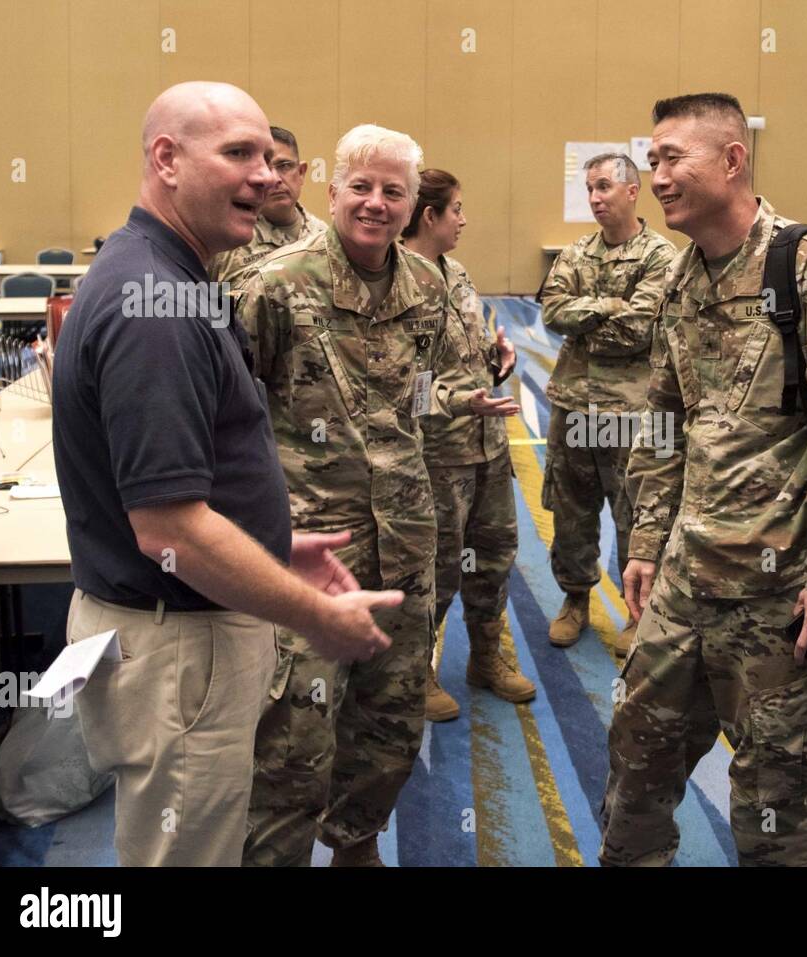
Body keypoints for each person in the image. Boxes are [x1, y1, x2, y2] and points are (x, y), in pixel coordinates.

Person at [51, 82, 398, 867]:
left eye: (272, 159)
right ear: (166, 159)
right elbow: (170, 528)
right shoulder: (157, 307)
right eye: (238, 154)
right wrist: (309, 609)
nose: (267, 177)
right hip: (181, 651)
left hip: (183, 639)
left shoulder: (167, 272)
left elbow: (187, 490)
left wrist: (273, 542)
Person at [600, 93, 807, 866]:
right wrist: (647, 538)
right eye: (651, 160)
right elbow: (662, 425)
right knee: (634, 768)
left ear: (733, 159)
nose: (656, 176)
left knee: (778, 810)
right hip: (685, 586)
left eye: (672, 159)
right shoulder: (680, 279)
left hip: (784, 606)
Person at [237, 125, 511, 867]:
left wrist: (459, 397)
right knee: (294, 730)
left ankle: (357, 844)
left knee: (388, 721)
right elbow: (229, 411)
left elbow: (411, 389)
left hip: (407, 536)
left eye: (394, 191)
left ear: (411, 202)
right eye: (361, 186)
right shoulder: (275, 285)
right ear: (333, 192)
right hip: (313, 548)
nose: (376, 202)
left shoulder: (424, 285)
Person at [402, 168, 534, 721]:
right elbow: (398, 384)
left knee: (496, 556)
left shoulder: (456, 273)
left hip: (488, 447)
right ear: (429, 216)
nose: (463, 218)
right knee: (436, 568)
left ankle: (485, 656)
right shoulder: (397, 282)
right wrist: (459, 400)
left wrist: (497, 364)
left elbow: (466, 359)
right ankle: (417, 673)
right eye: (455, 208)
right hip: (438, 455)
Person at [536, 153, 675, 655]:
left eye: (603, 188)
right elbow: (551, 311)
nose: (594, 198)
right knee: (571, 507)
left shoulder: (662, 256)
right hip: (574, 405)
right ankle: (575, 599)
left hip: (633, 412)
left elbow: (640, 329)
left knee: (635, 510)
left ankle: (640, 611)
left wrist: (587, 319)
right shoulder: (575, 252)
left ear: (632, 191)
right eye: (590, 189)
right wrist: (610, 308)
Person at [209, 125, 326, 288]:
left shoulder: (323, 237)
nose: (276, 179)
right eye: (266, 168)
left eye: (285, 166)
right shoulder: (228, 241)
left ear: (301, 173)